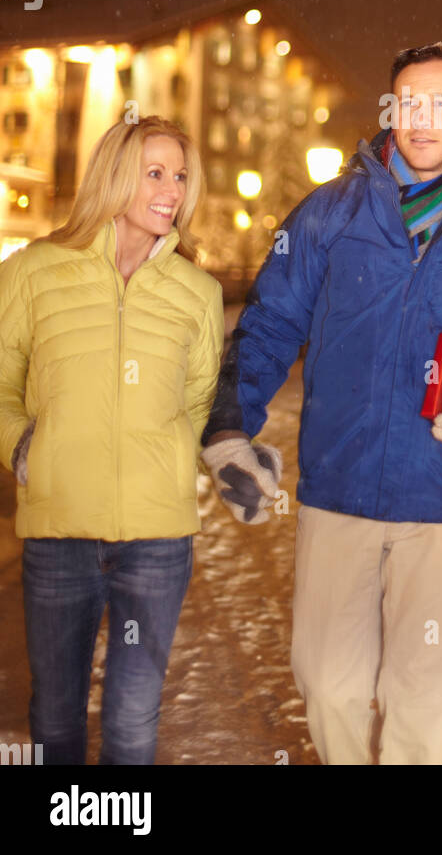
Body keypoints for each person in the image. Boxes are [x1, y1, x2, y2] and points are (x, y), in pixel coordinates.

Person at [201, 43, 442, 765]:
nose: (422, 118)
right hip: (336, 492)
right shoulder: (329, 214)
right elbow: (268, 325)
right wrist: (229, 431)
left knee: (420, 697)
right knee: (328, 683)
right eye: (409, 101)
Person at [0, 115, 275, 765]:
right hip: (59, 531)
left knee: (131, 721)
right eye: (155, 173)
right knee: (55, 716)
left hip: (157, 540)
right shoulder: (36, 272)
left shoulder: (197, 293)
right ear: (114, 176)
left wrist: (228, 454)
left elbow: (197, 405)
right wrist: (21, 447)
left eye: (180, 176)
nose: (172, 189)